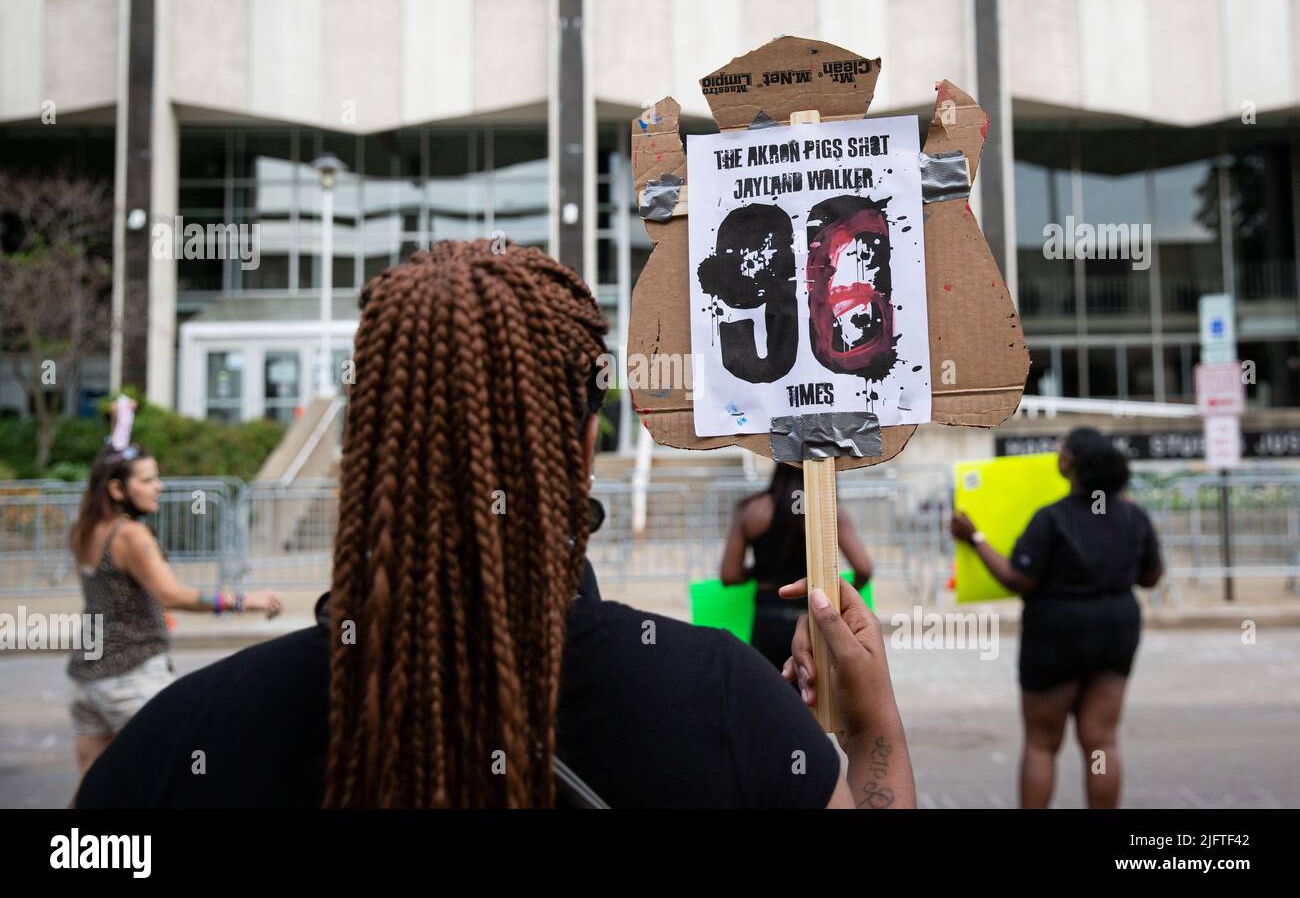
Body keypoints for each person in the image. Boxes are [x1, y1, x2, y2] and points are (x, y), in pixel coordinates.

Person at [74, 240, 915, 809]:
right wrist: (870, 723)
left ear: (366, 443)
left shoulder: (181, 742)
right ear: (584, 447)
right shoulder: (726, 705)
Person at [948, 428, 1163, 808]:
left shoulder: (1052, 519)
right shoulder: (1133, 514)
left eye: (1061, 451)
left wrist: (976, 538)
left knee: (1042, 743)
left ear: (1070, 464)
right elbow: (1150, 577)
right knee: (1102, 741)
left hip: (1056, 632)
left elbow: (1019, 579)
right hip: (1117, 628)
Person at [66, 408, 284, 778]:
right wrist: (245, 600)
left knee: (92, 785)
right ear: (118, 490)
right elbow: (172, 594)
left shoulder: (85, 529)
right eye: (148, 480)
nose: (159, 487)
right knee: (177, 775)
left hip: (88, 679)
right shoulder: (131, 535)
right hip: (131, 677)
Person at [720, 462, 874, 670]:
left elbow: (729, 575)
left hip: (767, 619)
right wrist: (840, 600)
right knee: (812, 697)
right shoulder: (827, 511)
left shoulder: (751, 510)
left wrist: (758, 570)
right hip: (813, 617)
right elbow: (863, 568)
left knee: (769, 695)